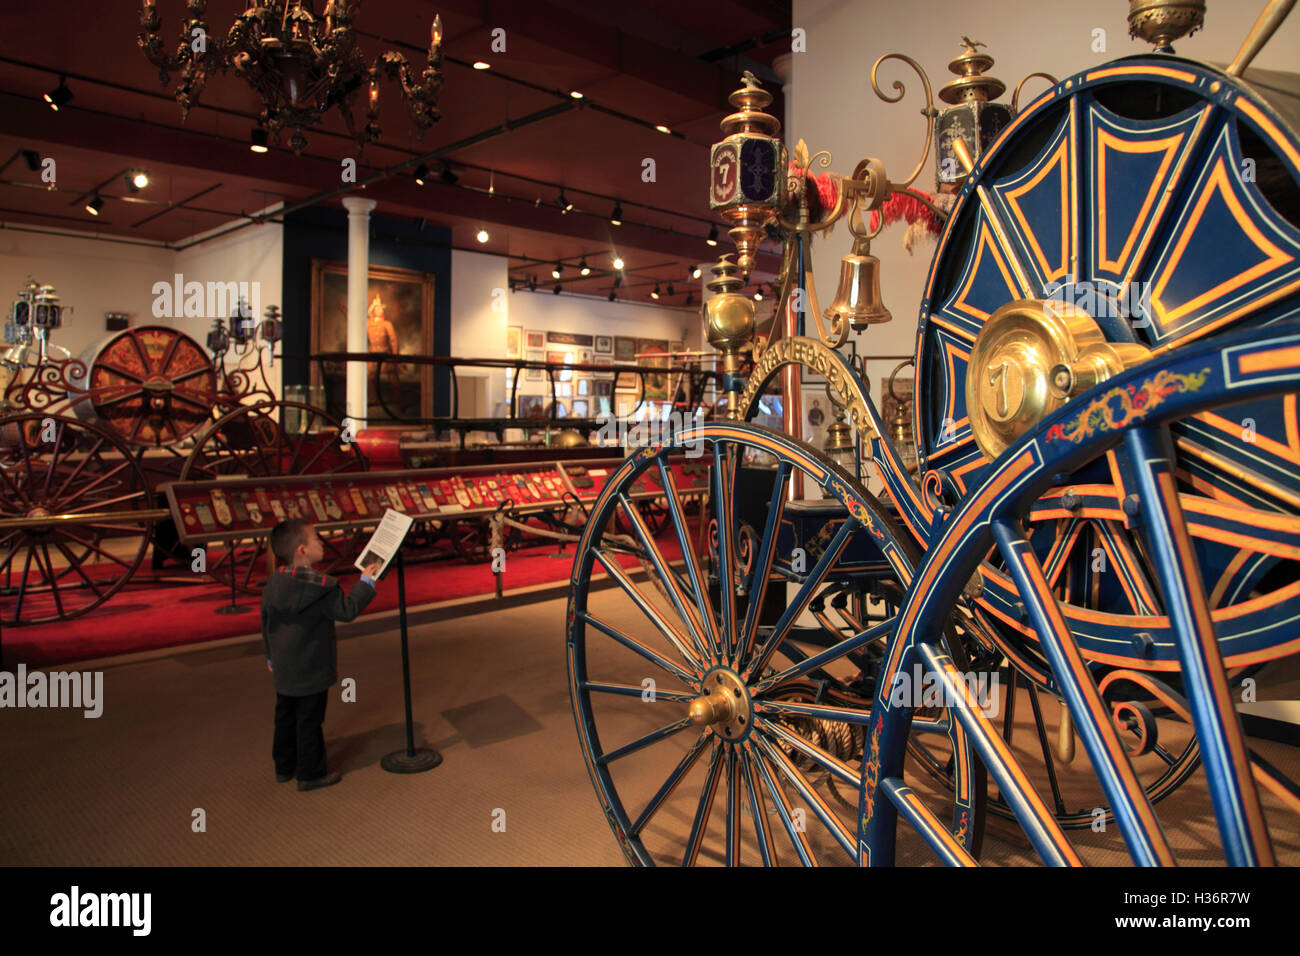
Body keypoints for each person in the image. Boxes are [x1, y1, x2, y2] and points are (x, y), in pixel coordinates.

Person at [262, 520, 382, 791]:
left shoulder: (275, 582)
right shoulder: (320, 587)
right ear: (303, 551)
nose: (322, 542)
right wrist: (366, 583)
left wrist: (270, 656)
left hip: (284, 666)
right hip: (312, 666)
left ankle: (284, 766)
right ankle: (310, 774)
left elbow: (266, 620)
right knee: (310, 720)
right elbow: (348, 610)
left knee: (285, 715)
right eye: (317, 539)